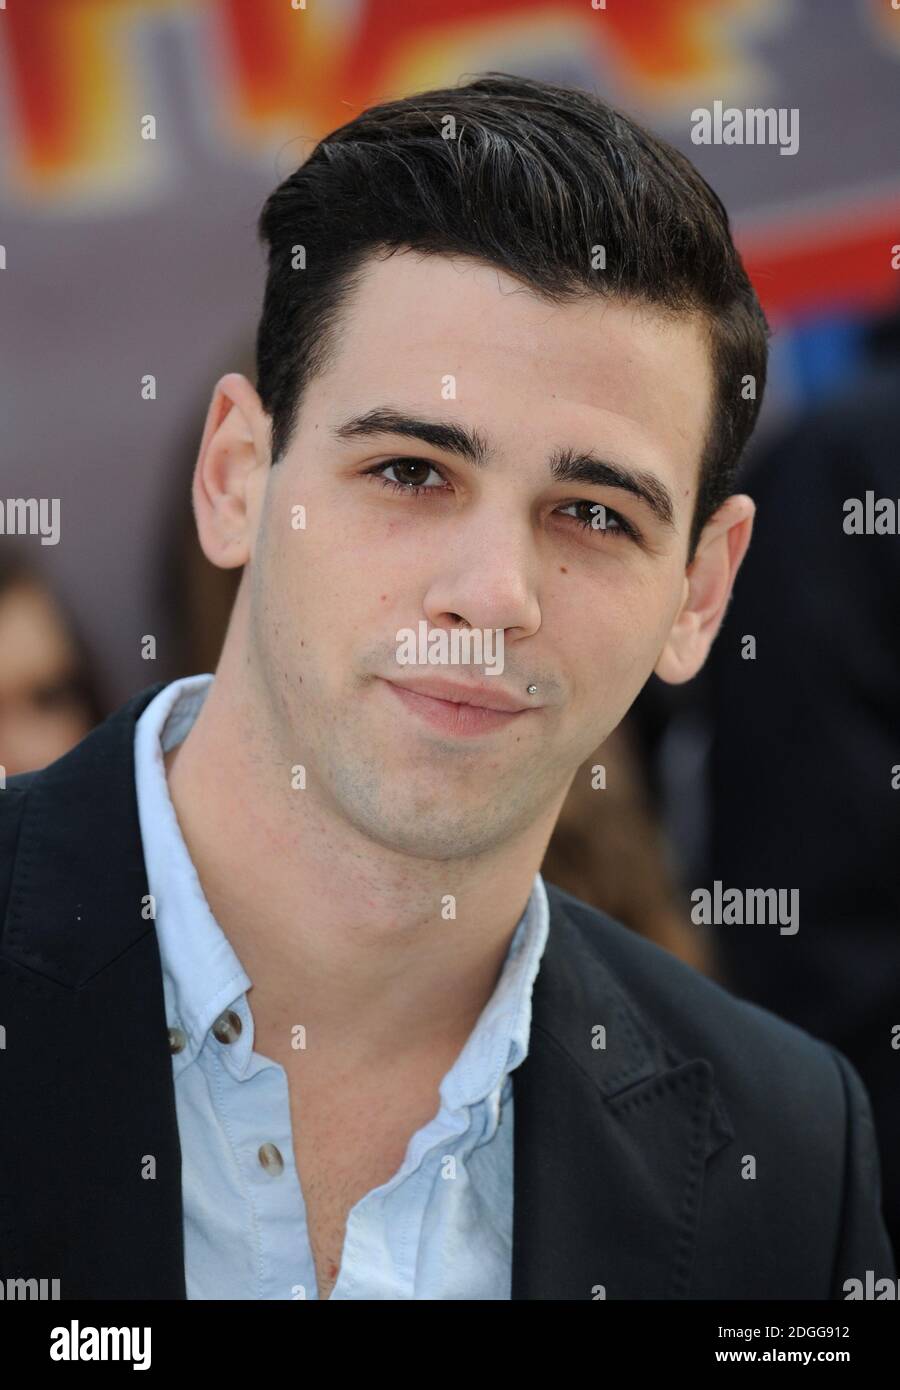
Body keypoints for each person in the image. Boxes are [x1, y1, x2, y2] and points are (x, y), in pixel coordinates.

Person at [0, 73, 892, 1301]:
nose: (493, 593)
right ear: (236, 478)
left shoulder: (786, 1153)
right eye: (412, 470)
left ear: (699, 592)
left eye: (592, 512)